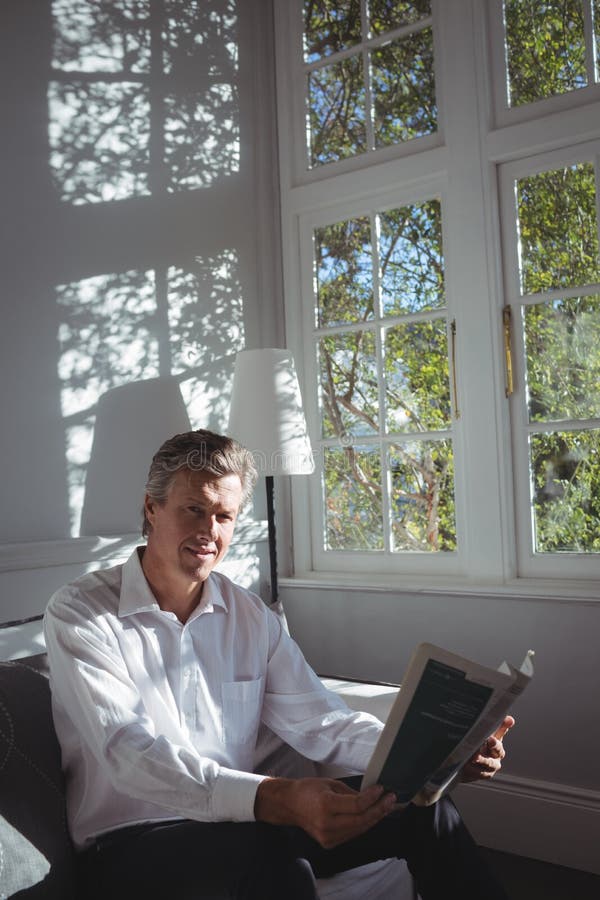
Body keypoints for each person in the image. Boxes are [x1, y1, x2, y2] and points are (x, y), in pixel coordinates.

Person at [44, 429, 513, 900]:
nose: (210, 530)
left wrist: (435, 757)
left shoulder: (249, 615)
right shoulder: (80, 612)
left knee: (421, 809)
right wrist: (275, 796)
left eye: (224, 516)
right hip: (131, 842)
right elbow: (130, 753)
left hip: (241, 819)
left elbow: (321, 721)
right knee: (274, 861)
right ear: (151, 508)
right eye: (194, 509)